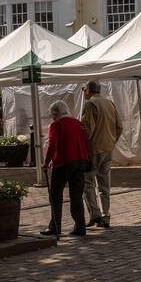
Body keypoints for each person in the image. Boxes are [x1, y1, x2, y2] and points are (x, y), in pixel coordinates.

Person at [42, 100, 90, 237]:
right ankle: (80, 226)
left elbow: (52, 145)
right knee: (76, 195)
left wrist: (46, 163)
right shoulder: (77, 123)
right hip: (80, 160)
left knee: (55, 195)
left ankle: (55, 227)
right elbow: (86, 141)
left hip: (64, 162)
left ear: (55, 114)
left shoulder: (56, 125)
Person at [80, 80, 122, 228]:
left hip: (94, 149)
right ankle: (106, 214)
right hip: (107, 149)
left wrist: (84, 148)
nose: (83, 92)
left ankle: (95, 213)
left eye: (84, 89)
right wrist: (111, 141)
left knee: (87, 182)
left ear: (89, 90)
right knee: (104, 184)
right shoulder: (109, 103)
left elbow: (87, 129)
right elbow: (119, 126)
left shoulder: (90, 104)